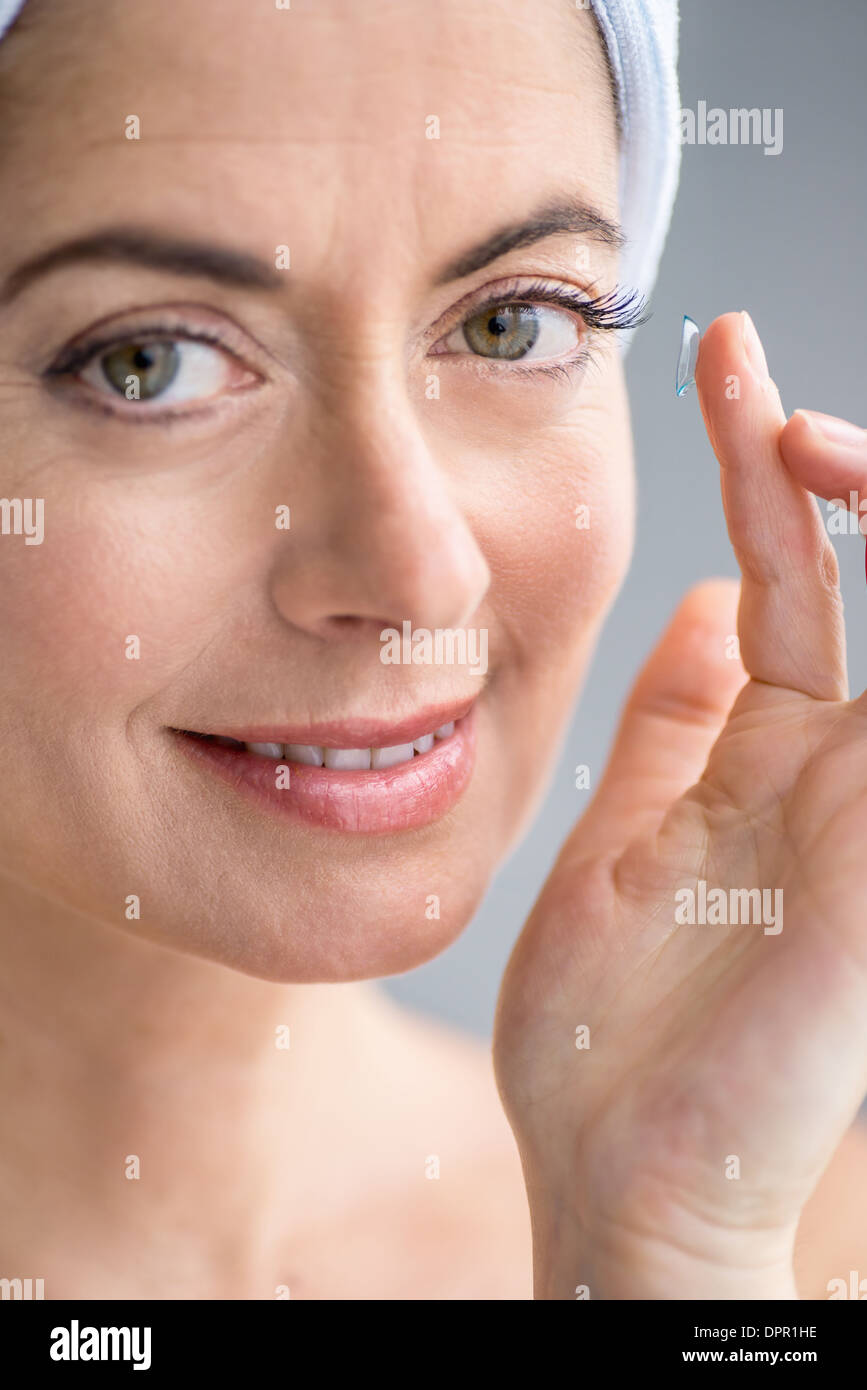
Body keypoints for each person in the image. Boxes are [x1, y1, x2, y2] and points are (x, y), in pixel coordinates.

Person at [1, 0, 865, 1301]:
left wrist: (661, 1256)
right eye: (151, 362)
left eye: (513, 323)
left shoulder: (794, 1254)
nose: (421, 571)